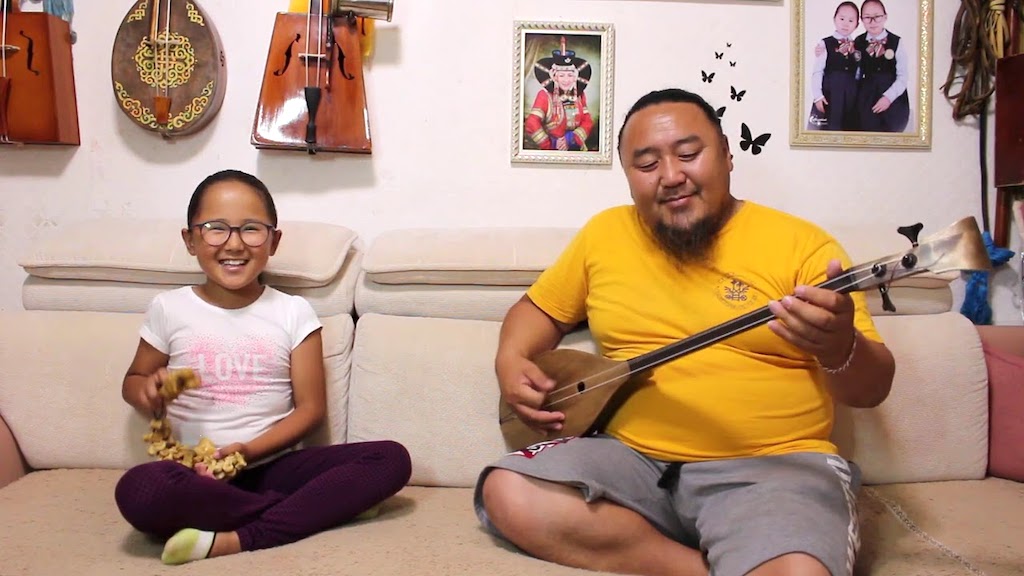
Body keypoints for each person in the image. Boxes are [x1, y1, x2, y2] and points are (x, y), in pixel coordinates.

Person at [475, 88, 896, 576]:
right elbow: (537, 310)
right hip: (628, 460)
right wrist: (510, 358)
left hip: (772, 469)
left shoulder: (803, 245)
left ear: (727, 155)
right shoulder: (604, 235)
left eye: (689, 154)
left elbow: (872, 390)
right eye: (647, 163)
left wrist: (839, 347)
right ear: (628, 176)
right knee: (510, 492)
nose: (671, 176)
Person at [114, 169, 411, 565]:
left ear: (273, 240)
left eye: (251, 229)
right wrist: (148, 391)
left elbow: (310, 409)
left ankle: (243, 536)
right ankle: (315, 510)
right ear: (190, 240)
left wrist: (246, 452)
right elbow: (133, 380)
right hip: (193, 471)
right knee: (139, 490)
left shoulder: (293, 313)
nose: (234, 243)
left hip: (271, 465)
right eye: (216, 228)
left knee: (390, 459)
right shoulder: (169, 308)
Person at [524, 36, 595, 151]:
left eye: (570, 75)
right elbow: (531, 123)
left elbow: (588, 121)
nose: (566, 80)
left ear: (575, 77)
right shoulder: (544, 96)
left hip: (577, 147)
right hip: (554, 148)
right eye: (561, 75)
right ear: (554, 77)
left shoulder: (579, 96)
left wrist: (571, 138)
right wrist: (549, 145)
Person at [853, 0, 910, 132]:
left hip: (894, 99)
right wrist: (823, 50)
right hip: (866, 98)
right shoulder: (858, 42)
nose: (872, 22)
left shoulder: (896, 42)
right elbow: (854, 70)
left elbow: (903, 76)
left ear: (885, 17)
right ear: (861, 19)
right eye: (867, 17)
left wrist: (888, 98)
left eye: (877, 16)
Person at [808, 2, 862, 131]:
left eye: (851, 20)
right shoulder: (825, 44)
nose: (845, 24)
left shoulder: (859, 46)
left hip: (851, 98)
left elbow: (859, 72)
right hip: (830, 95)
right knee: (828, 129)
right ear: (834, 19)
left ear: (857, 24)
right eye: (842, 19)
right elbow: (818, 71)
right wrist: (818, 96)